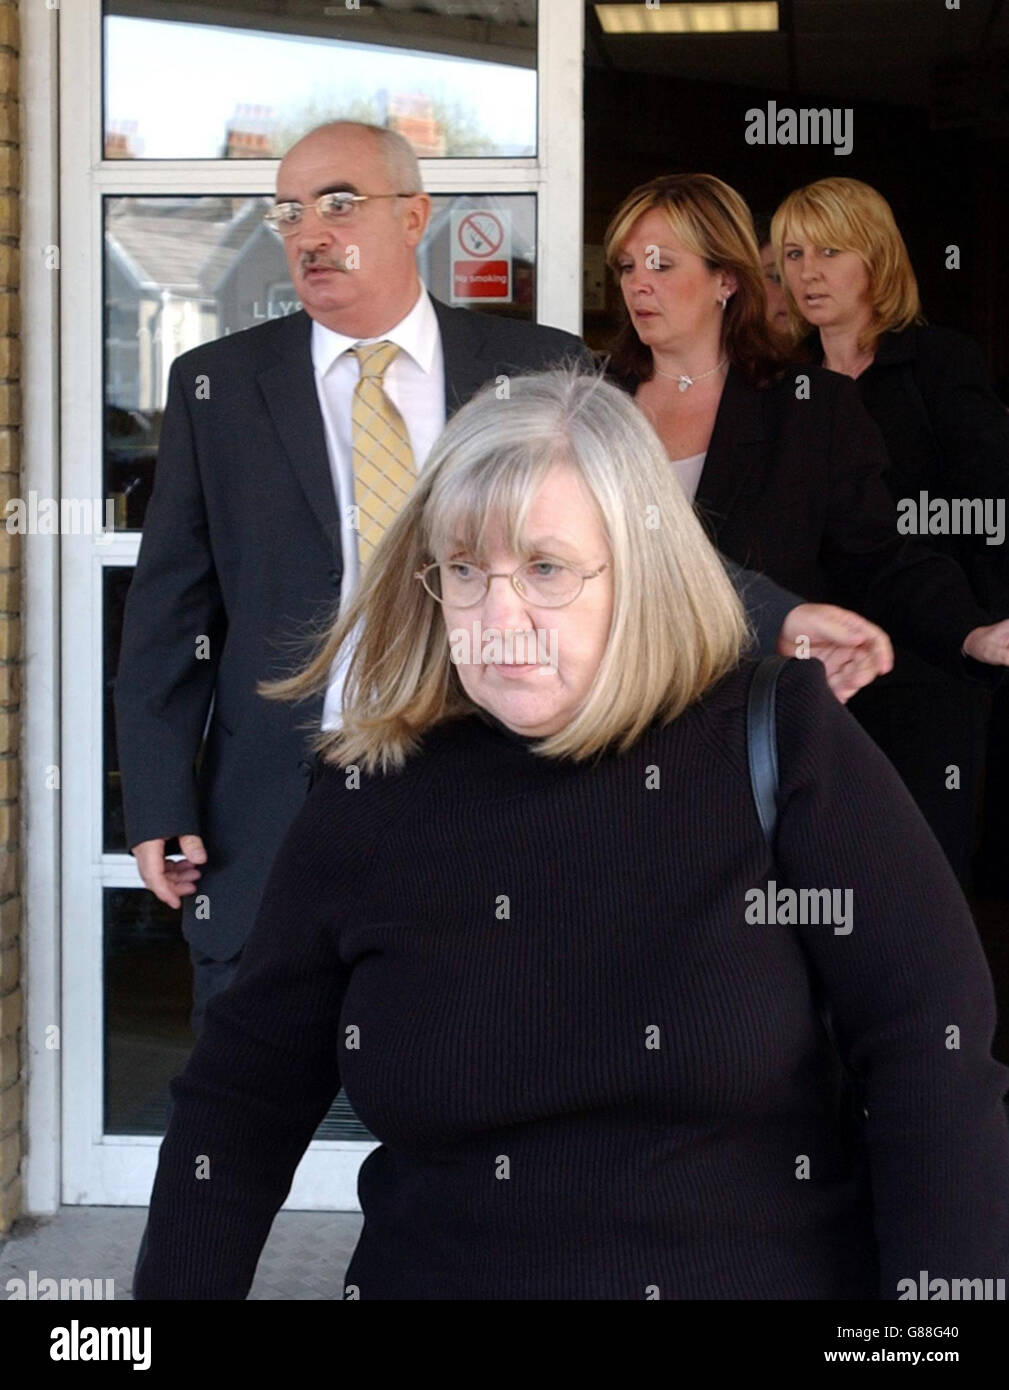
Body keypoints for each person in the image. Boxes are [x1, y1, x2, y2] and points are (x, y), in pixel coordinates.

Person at [132, 369, 1009, 1300]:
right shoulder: (371, 791)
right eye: (465, 570)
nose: (497, 619)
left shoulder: (779, 743)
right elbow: (243, 1096)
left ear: (639, 569)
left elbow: (932, 1054)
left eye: (545, 569)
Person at [113, 126, 895, 1034]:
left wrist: (785, 620)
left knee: (481, 1054)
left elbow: (645, 538)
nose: (309, 235)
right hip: (285, 792)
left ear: (413, 216)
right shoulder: (217, 383)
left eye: (337, 204)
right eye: (288, 213)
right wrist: (160, 798)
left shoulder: (531, 365)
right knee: (249, 1084)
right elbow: (170, 611)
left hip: (487, 767)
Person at [601, 173, 1009, 872]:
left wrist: (970, 630)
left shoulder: (806, 407)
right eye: (627, 266)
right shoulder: (588, 401)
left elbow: (876, 556)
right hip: (610, 735)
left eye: (664, 264)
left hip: (748, 738)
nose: (640, 283)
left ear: (725, 279)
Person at [771, 176, 1009, 886]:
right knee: (822, 871)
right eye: (790, 253)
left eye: (830, 251)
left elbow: (993, 496)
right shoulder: (783, 381)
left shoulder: (935, 362)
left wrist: (981, 627)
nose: (806, 272)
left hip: (932, 656)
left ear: (875, 258)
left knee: (919, 875)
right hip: (818, 663)